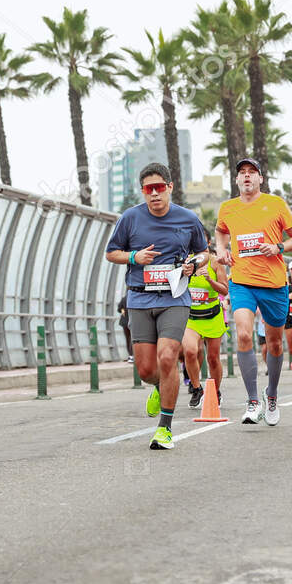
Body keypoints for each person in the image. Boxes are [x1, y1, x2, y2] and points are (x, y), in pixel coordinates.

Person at [105, 162, 208, 450]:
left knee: (167, 357)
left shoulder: (187, 218)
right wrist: (134, 257)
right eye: (148, 190)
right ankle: (158, 386)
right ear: (143, 191)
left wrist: (194, 265)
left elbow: (204, 253)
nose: (154, 194)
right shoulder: (130, 218)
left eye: (159, 188)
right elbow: (111, 253)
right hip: (139, 298)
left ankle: (165, 427)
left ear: (170, 187)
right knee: (147, 370)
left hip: (174, 298)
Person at [214, 158, 292, 427]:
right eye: (242, 173)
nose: (247, 177)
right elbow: (220, 232)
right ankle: (253, 400)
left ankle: (272, 395)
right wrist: (221, 250)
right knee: (243, 334)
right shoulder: (227, 208)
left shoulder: (275, 204)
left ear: (261, 179)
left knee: (275, 344)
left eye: (252, 173)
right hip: (241, 281)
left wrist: (278, 247)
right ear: (237, 180)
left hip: (274, 284)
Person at [181, 250, 228, 410]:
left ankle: (215, 392)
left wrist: (209, 279)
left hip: (212, 315)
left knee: (213, 358)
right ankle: (197, 389)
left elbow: (224, 289)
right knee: (190, 351)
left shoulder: (215, 262)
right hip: (191, 316)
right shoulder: (184, 261)